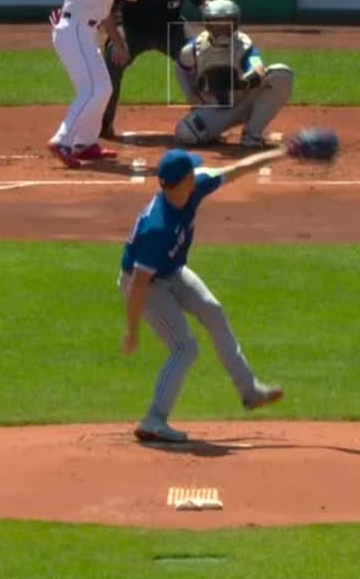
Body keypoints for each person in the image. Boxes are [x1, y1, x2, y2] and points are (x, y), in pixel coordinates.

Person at [119, 145, 287, 444]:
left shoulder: (194, 186)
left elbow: (238, 169)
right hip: (145, 285)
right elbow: (138, 286)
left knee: (213, 310)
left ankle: (249, 391)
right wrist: (132, 332)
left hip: (172, 271)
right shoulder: (157, 228)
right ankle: (153, 419)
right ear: (183, 182)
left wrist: (283, 151)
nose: (196, 176)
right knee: (185, 348)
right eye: (191, 174)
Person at [47, 0, 143, 168]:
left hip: (79, 31)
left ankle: (85, 143)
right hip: (76, 32)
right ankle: (62, 140)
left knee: (103, 88)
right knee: (92, 91)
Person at [99, 0, 203, 139]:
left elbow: (202, 3)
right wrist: (118, 44)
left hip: (171, 27)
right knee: (112, 59)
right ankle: (103, 125)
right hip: (132, 27)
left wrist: (212, 14)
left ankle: (205, 119)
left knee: (201, 56)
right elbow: (109, 10)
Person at [173, 0, 295, 150]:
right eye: (217, 24)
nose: (222, 28)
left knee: (281, 73)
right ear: (208, 24)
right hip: (215, 108)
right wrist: (190, 93)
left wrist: (239, 83)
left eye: (226, 24)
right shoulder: (193, 49)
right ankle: (214, 131)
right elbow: (180, 68)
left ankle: (252, 133)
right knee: (186, 134)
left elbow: (259, 69)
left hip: (244, 100)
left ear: (235, 24)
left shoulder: (243, 46)